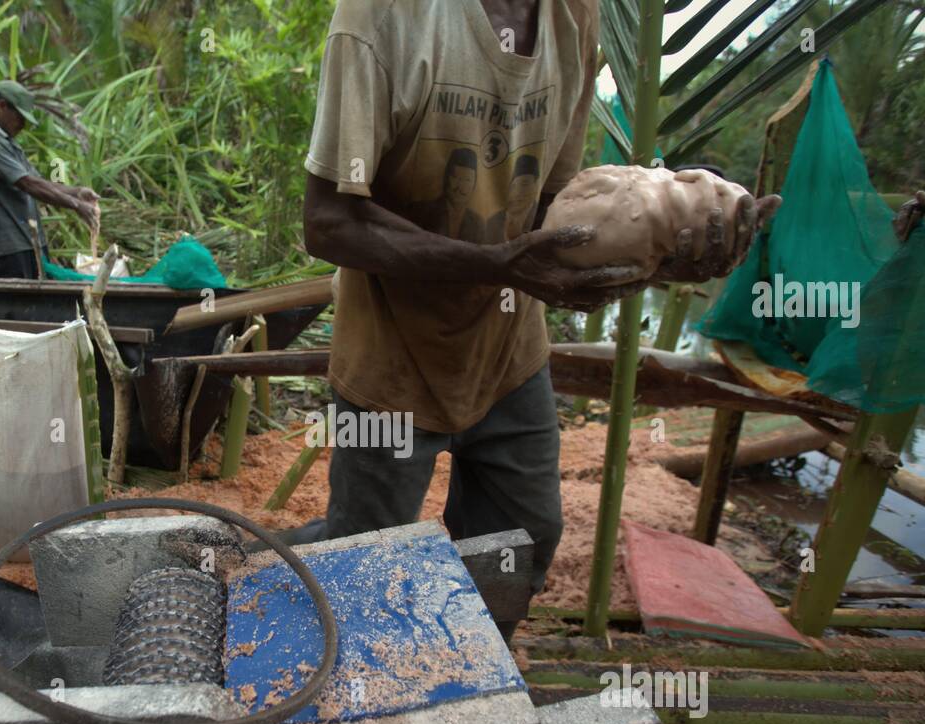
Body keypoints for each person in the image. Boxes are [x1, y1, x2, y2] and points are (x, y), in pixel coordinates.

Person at [301, 0, 776, 633]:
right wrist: (499, 265)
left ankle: (468, 677)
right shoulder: (383, 18)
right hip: (393, 355)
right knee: (363, 562)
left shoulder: (573, 17)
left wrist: (657, 250)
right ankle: (360, 685)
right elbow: (329, 221)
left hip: (507, 352)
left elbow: (557, 208)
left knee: (518, 543)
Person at [0, 80, 100, 279]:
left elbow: (37, 181)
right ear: (2, 106)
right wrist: (75, 205)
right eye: (20, 117)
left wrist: (76, 192)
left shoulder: (7, 142)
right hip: (9, 246)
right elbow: (28, 184)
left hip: (28, 241)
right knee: (17, 306)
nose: (23, 124)